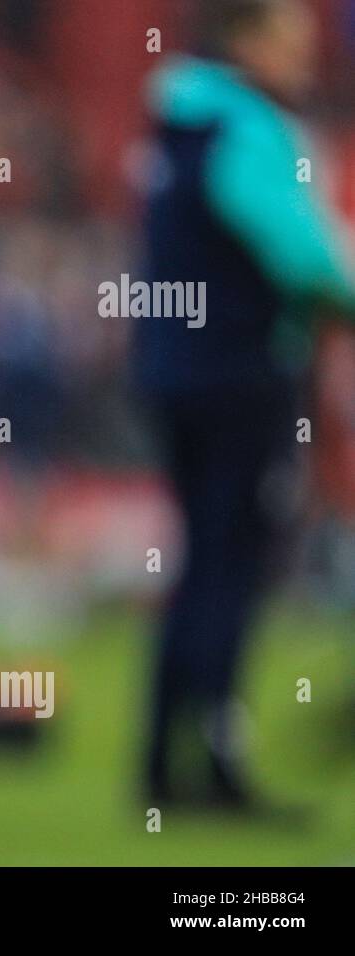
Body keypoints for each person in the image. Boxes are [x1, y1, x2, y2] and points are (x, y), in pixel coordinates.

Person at [133, 0, 355, 809]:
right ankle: (215, 771)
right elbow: (305, 259)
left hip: (175, 370)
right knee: (229, 572)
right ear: (245, 39)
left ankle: (160, 764)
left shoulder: (177, 121)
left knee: (198, 568)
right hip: (242, 375)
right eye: (289, 38)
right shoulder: (249, 129)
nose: (305, 55)